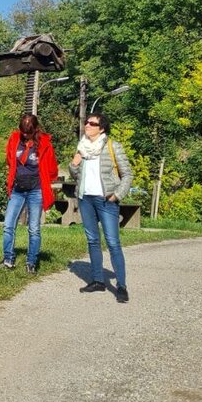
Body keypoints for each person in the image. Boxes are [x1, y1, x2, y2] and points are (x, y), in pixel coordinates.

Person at [69, 112, 134, 302]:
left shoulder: (113, 147)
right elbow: (75, 173)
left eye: (92, 123)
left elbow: (127, 175)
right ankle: (98, 280)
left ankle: (121, 286)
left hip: (106, 200)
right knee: (92, 240)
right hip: (85, 199)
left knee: (113, 242)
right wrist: (74, 164)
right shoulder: (82, 147)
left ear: (102, 128)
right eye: (86, 122)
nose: (86, 125)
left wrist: (116, 195)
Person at [1, 113, 58, 274]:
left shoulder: (44, 143)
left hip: (36, 190)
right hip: (17, 189)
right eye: (23, 132)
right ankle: (8, 259)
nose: (25, 136)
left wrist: (46, 181)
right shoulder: (14, 139)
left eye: (28, 133)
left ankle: (31, 261)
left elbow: (52, 168)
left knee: (34, 228)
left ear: (35, 130)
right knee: (8, 225)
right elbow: (9, 159)